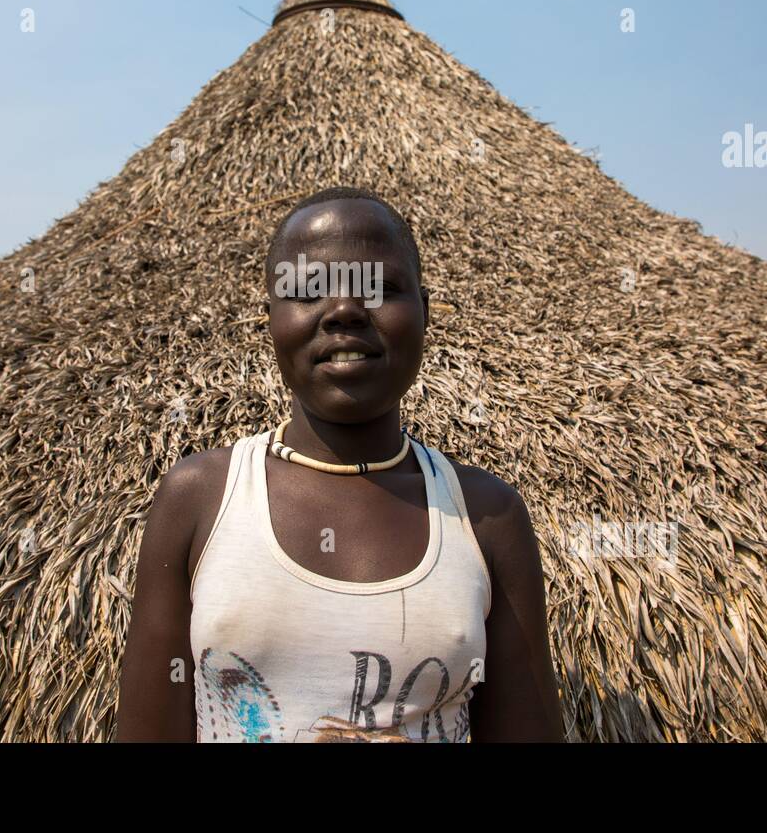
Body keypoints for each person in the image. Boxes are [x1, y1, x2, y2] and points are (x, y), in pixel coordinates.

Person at [114, 186, 565, 742]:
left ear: (424, 309)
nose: (346, 309)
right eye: (307, 289)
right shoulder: (201, 499)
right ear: (272, 320)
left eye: (378, 287)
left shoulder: (486, 517)